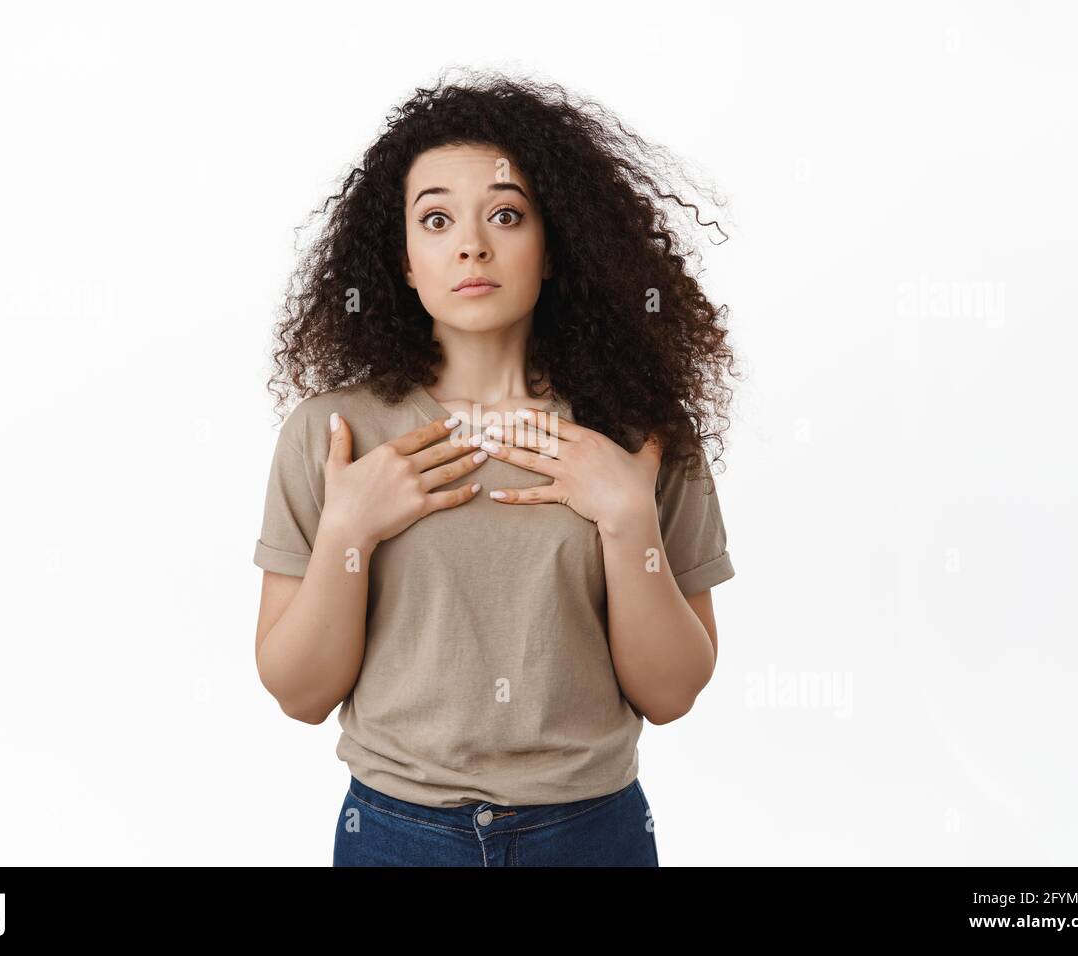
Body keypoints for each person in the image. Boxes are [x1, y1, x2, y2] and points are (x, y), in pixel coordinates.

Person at [253, 69, 740, 866]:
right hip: (392, 836)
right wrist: (349, 527)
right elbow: (300, 696)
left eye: (506, 216)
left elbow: (673, 693)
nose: (472, 245)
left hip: (591, 835)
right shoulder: (332, 434)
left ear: (554, 248)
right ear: (403, 261)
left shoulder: (639, 437)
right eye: (436, 219)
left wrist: (627, 520)